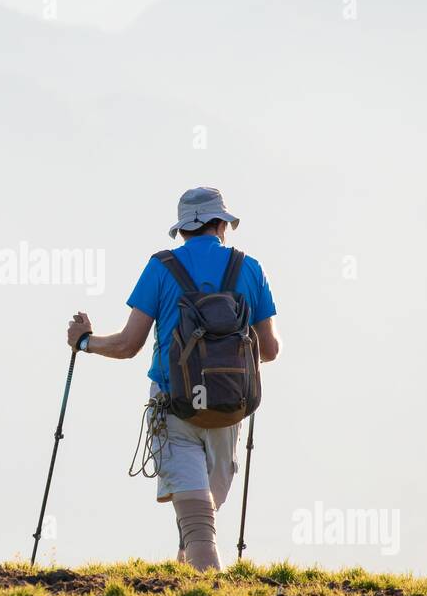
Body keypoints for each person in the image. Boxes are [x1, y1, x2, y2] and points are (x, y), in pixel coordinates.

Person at [65, 187, 279, 571]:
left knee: (199, 527)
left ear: (182, 230)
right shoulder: (250, 268)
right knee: (203, 516)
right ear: (221, 224)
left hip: (174, 404)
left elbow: (128, 344)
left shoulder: (161, 268)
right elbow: (271, 349)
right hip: (229, 408)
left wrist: (83, 342)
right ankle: (191, 575)